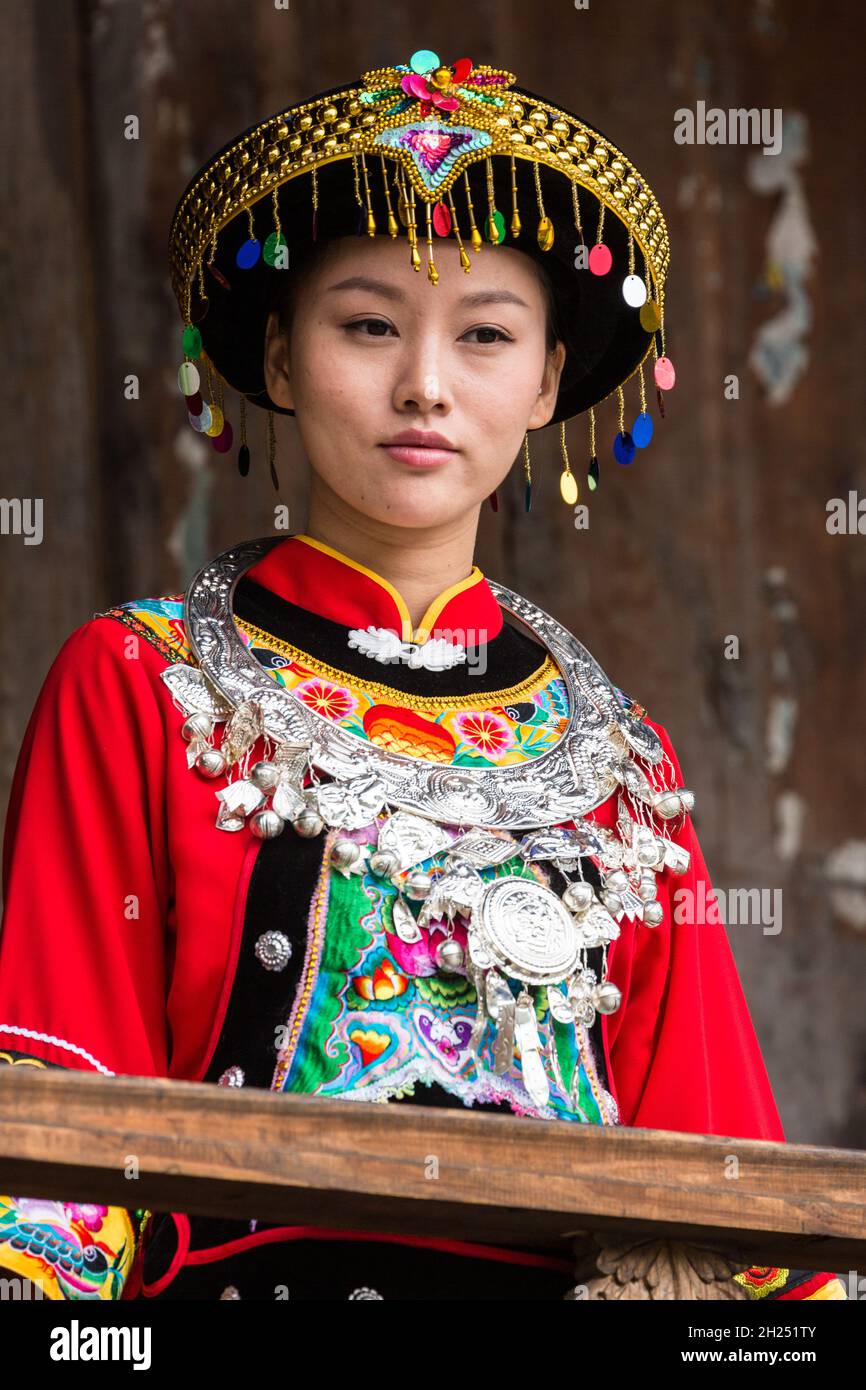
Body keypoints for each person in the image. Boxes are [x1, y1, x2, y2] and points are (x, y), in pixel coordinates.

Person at [0, 49, 846, 1301]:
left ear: (548, 380)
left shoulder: (619, 764)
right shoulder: (139, 682)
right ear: (281, 363)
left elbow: (723, 1190)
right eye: (367, 325)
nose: (425, 387)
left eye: (487, 335)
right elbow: (52, 1146)